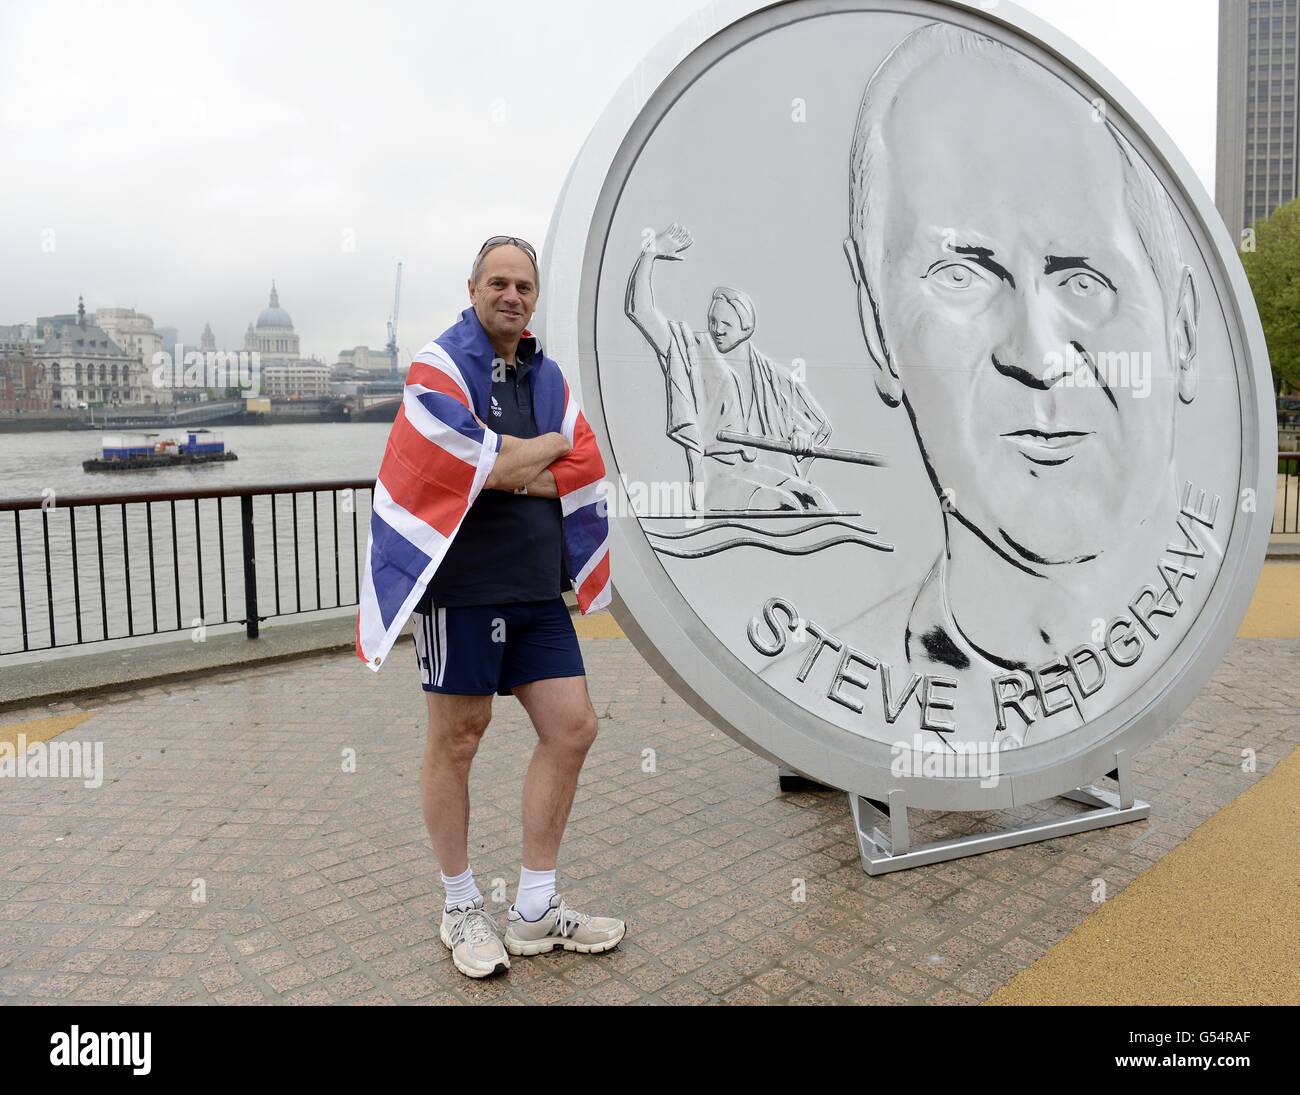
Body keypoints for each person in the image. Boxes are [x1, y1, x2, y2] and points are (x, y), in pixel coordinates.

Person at [759, 23, 1214, 747]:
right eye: (961, 276)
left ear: (1182, 330)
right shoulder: (831, 684)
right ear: (876, 326)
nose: (1038, 354)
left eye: (1083, 280)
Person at [371, 236, 623, 978]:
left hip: (539, 589)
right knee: (458, 739)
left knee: (573, 727)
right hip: (463, 590)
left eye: (524, 285)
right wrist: (530, 455)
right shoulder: (441, 367)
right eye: (498, 283)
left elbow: (583, 466)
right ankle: (458, 905)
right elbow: (457, 468)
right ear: (473, 287)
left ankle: (537, 908)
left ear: (535, 297)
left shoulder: (548, 377)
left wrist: (503, 464)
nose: (512, 295)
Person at [625, 224, 834, 511]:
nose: (717, 330)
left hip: (754, 472)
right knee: (785, 505)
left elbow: (813, 426)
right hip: (717, 478)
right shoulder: (691, 349)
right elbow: (641, 312)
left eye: (726, 325)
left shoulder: (771, 376)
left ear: (746, 327)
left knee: (817, 500)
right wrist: (650, 253)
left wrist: (802, 436)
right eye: (713, 322)